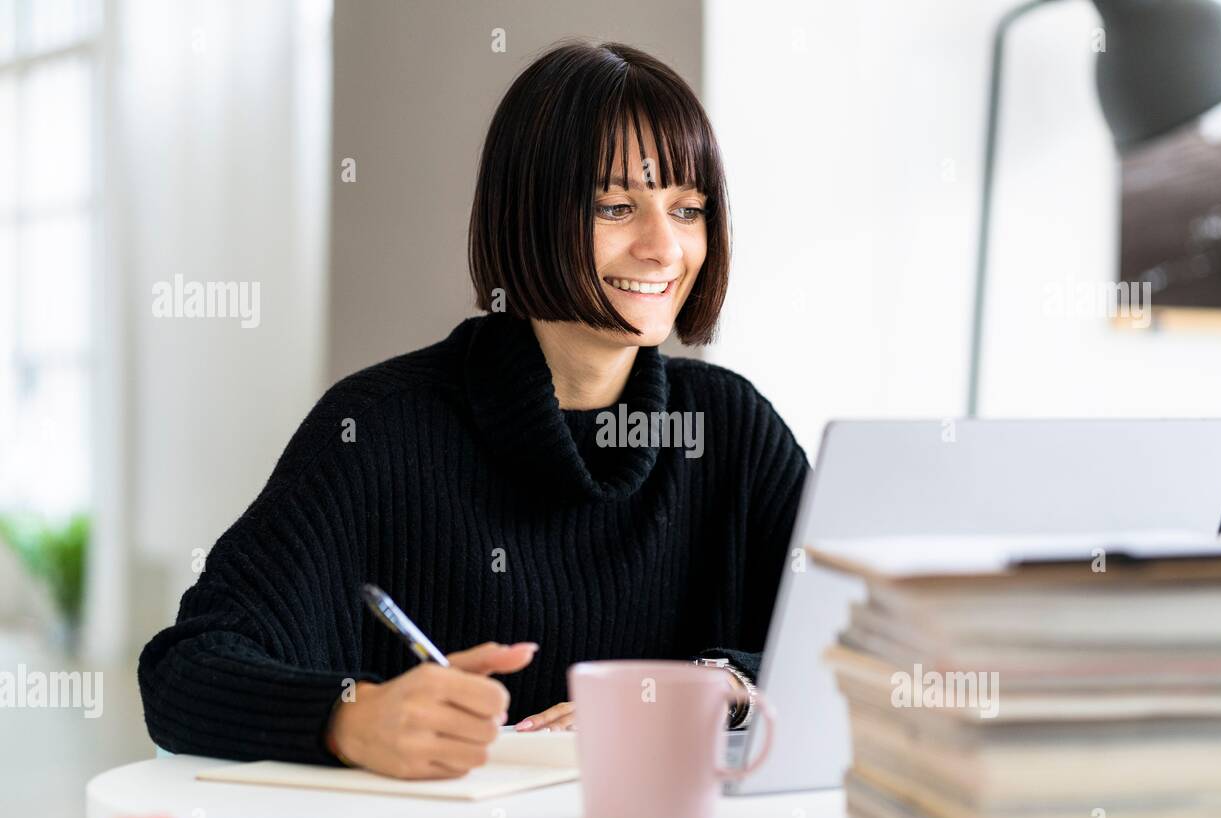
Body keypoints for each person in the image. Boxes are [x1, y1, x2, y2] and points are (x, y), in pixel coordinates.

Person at [138, 39, 808, 779]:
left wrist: (716, 689)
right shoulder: (377, 429)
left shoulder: (730, 429)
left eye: (687, 210)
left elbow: (861, 656)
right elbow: (183, 672)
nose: (664, 247)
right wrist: (351, 718)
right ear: (527, 217)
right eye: (616, 207)